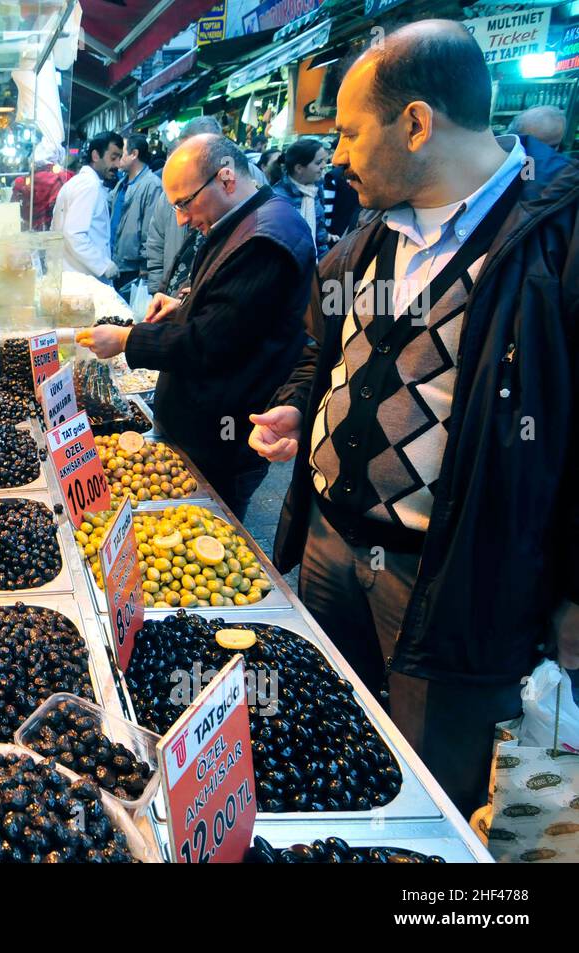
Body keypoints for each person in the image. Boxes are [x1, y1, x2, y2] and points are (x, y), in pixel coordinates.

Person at [248, 20, 579, 817]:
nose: (336, 156)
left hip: (453, 585)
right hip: (328, 547)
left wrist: (571, 591)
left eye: (351, 132)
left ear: (418, 123)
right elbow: (320, 353)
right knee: (335, 745)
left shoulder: (555, 245)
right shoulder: (366, 239)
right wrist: (299, 404)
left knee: (427, 795)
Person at [78, 134, 315, 520]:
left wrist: (126, 339)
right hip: (205, 423)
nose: (182, 219)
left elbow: (208, 343)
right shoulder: (249, 221)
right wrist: (185, 306)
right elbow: (235, 315)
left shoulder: (264, 241)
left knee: (213, 520)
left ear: (225, 179)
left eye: (185, 203)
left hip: (223, 434)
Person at [144, 116, 221, 294]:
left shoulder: (239, 179)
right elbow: (156, 240)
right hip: (174, 293)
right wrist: (157, 289)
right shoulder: (173, 184)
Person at [50, 130, 122, 280]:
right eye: (113, 158)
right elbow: (74, 233)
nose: (117, 165)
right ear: (96, 156)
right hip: (82, 277)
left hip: (72, 273)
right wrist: (104, 265)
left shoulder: (80, 183)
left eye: (119, 158)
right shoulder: (89, 186)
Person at [109, 133, 163, 290]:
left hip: (133, 268)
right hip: (116, 261)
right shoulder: (122, 183)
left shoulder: (152, 185)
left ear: (134, 154)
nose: (118, 159)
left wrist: (145, 265)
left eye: (122, 154)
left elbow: (151, 229)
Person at [272, 138, 333, 258]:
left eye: (324, 161)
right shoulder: (277, 197)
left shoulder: (316, 189)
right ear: (299, 168)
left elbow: (319, 234)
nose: (323, 166)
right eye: (318, 162)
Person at [11, 138, 73, 230]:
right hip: (57, 230)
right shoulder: (67, 178)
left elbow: (13, 210)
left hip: (29, 230)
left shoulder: (22, 181)